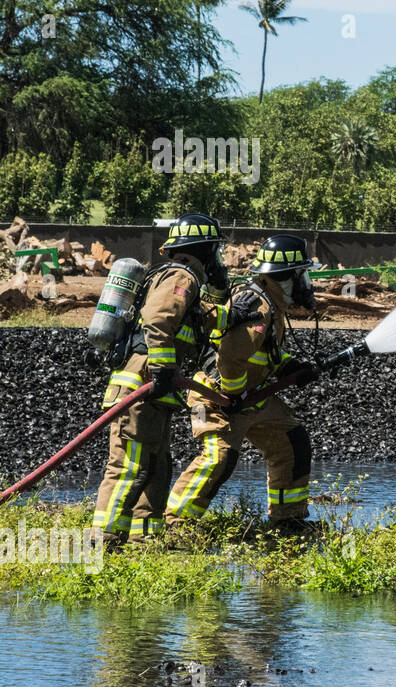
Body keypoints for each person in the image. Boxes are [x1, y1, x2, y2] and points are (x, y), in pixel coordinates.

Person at [166, 234, 321, 529]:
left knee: (292, 442)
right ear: (286, 276)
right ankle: (177, 523)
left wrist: (292, 367)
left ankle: (288, 519)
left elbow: (263, 353)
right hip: (216, 397)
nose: (307, 282)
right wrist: (234, 396)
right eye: (303, 274)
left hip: (251, 398)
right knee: (219, 458)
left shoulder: (271, 304)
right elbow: (230, 358)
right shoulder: (257, 307)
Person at [92, 214, 229, 545]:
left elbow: (196, 321)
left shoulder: (177, 279)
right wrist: (165, 369)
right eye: (216, 252)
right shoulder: (182, 276)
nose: (219, 260)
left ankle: (143, 543)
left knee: (154, 469)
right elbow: (156, 321)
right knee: (129, 467)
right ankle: (101, 544)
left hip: (152, 390)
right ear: (205, 251)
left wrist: (235, 314)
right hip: (143, 385)